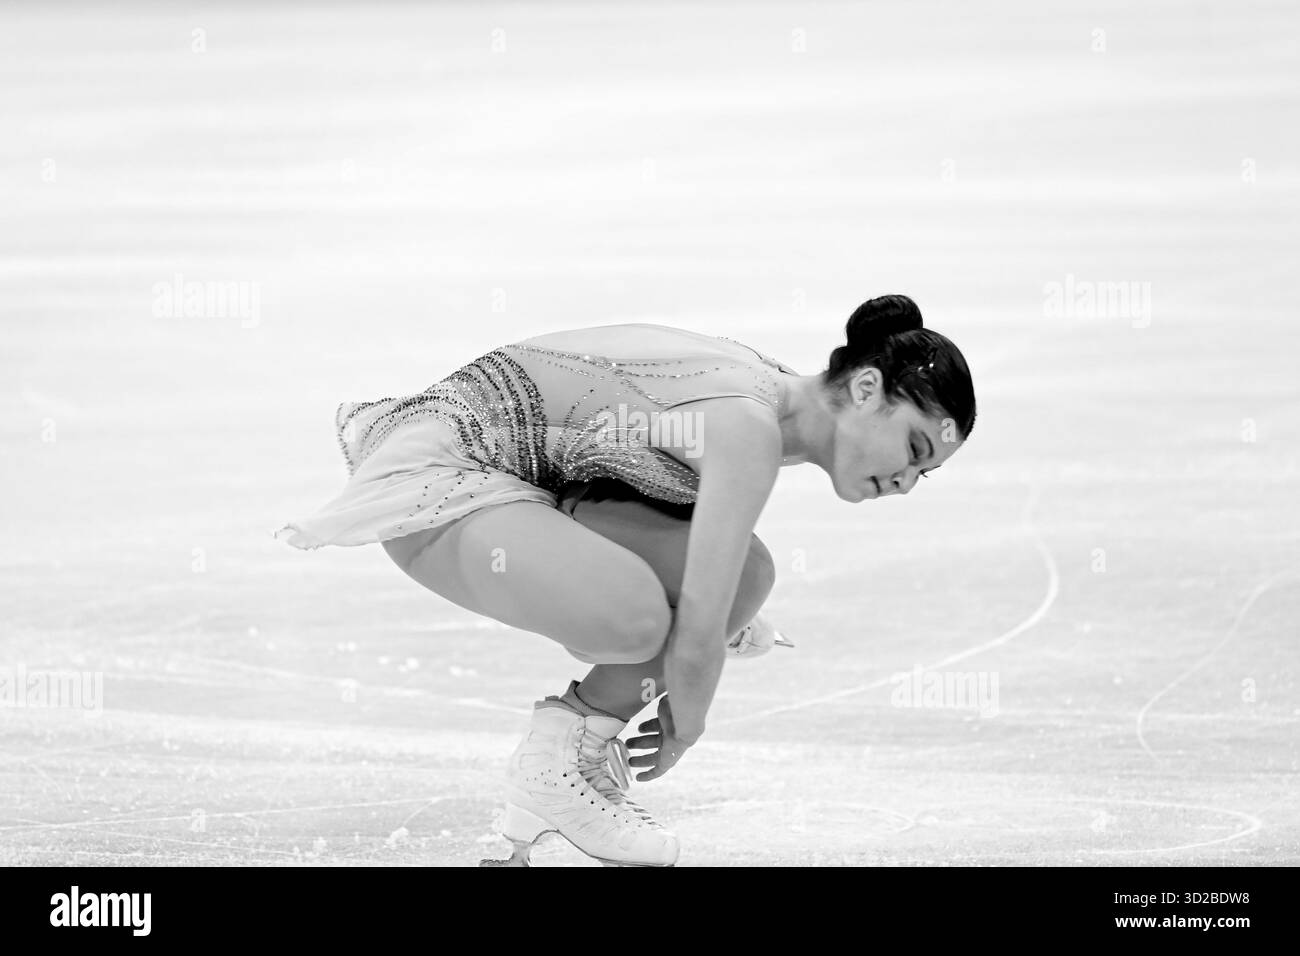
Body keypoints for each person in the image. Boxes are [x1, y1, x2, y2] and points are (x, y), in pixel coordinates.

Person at [275, 294, 976, 866]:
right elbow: (697, 632)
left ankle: (566, 757)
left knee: (745, 578)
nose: (908, 481)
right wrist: (686, 720)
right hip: (440, 482)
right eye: (914, 447)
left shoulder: (766, 403)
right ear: (865, 388)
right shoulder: (750, 427)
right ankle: (557, 761)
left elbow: (709, 583)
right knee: (645, 620)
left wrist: (714, 625)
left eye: (926, 472)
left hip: (524, 486)